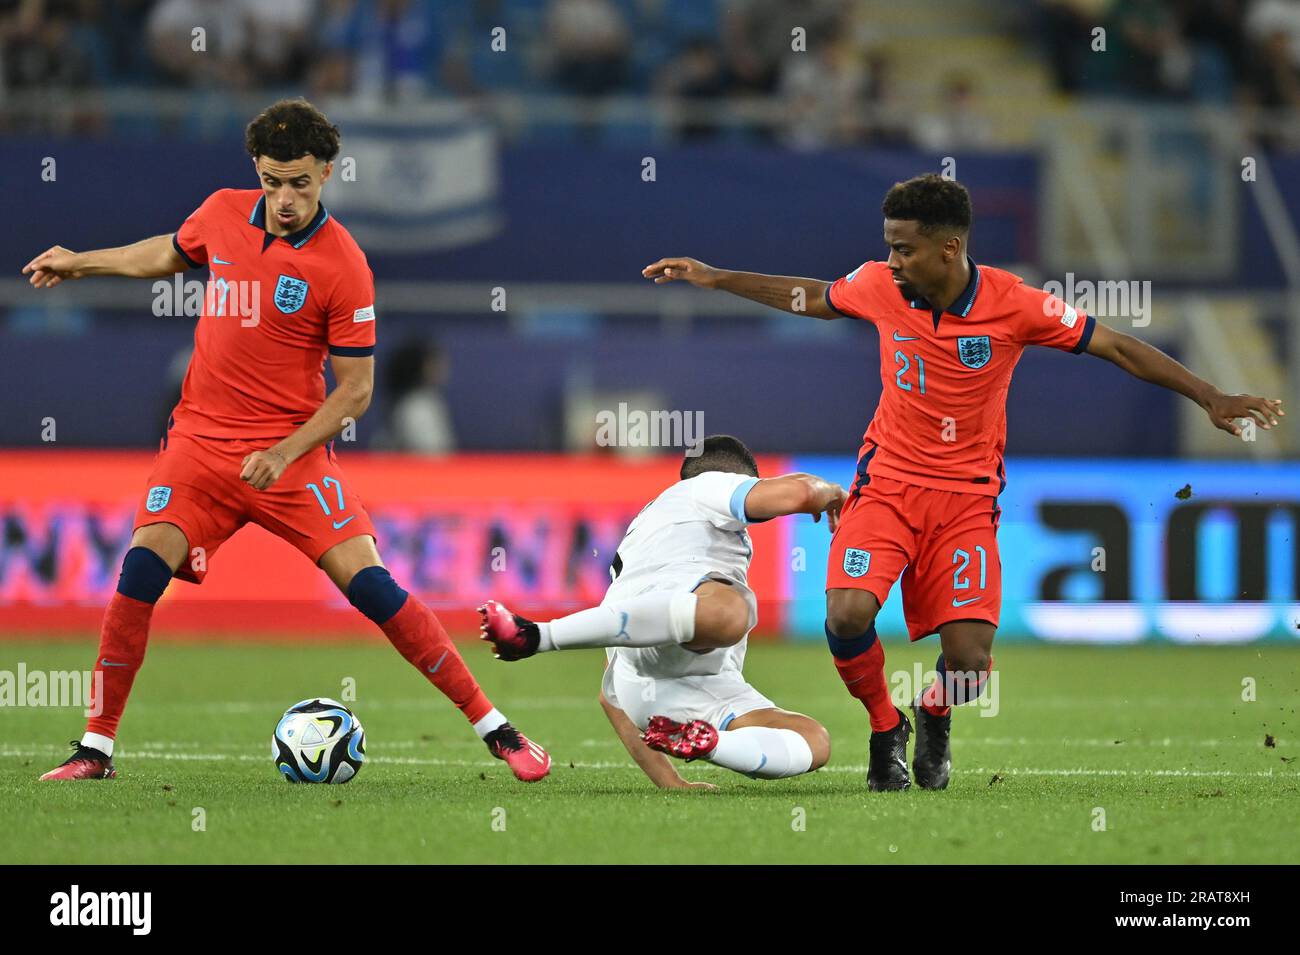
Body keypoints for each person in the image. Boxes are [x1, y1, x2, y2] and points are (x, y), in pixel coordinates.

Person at [642, 173, 1284, 791]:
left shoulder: (1018, 305)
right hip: (887, 483)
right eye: (889, 245)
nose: (890, 261)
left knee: (971, 666)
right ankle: (884, 726)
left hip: (967, 500)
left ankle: (934, 712)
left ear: (949, 246)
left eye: (903, 248)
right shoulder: (876, 286)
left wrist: (1209, 396)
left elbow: (1115, 346)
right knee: (846, 613)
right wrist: (717, 277)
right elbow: (811, 297)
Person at [23, 98, 550, 783]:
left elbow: (356, 391)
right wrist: (79, 263)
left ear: (327, 173)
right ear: (257, 173)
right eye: (272, 181)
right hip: (200, 446)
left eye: (299, 182)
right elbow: (168, 252)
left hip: (292, 456)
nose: (285, 198)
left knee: (374, 589)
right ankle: (96, 749)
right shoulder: (220, 212)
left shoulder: (344, 265)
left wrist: (284, 450)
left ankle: (497, 728)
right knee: (139, 574)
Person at [479, 435, 840, 789]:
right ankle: (537, 635)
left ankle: (710, 742)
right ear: (741, 480)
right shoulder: (706, 487)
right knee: (735, 611)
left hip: (657, 693)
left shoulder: (643, 550)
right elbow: (802, 494)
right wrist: (834, 494)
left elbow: (610, 696)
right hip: (681, 662)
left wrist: (671, 782)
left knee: (813, 739)